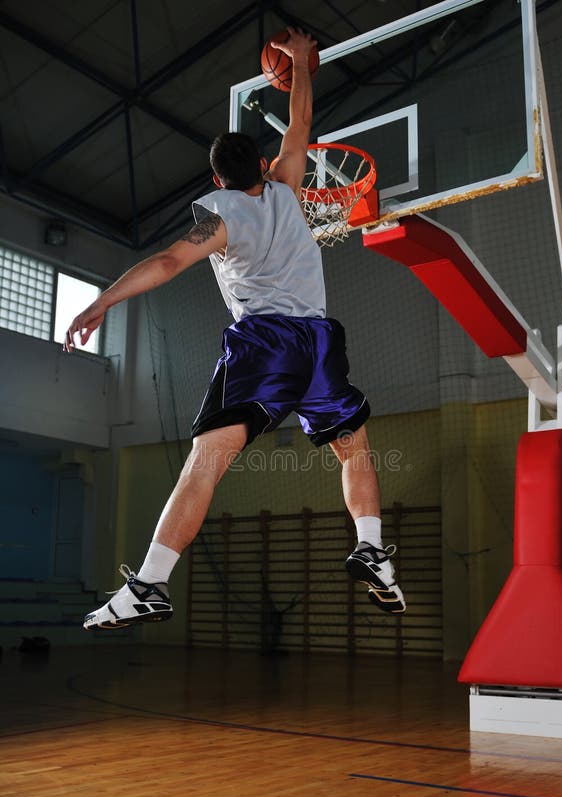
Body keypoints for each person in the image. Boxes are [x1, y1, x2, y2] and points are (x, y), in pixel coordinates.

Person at [64, 27, 405, 631]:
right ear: (264, 165)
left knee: (205, 463)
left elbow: (168, 262)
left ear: (218, 181)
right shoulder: (287, 187)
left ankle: (150, 583)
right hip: (320, 343)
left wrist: (104, 301)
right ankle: (373, 551)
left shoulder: (220, 213)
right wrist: (301, 63)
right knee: (354, 447)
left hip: (267, 344)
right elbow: (300, 120)